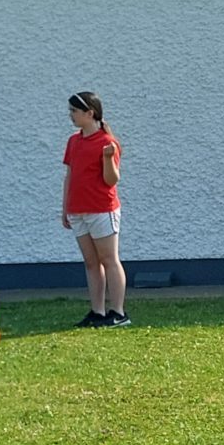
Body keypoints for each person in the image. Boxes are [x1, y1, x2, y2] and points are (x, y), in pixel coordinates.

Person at [62, 91, 128, 328]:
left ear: (90, 113)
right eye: (70, 111)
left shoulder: (107, 143)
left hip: (101, 210)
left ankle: (118, 312)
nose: (71, 115)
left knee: (109, 259)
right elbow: (70, 176)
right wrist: (65, 208)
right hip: (78, 210)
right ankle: (97, 311)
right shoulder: (73, 141)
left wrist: (108, 158)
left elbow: (111, 180)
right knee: (91, 262)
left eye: (75, 111)